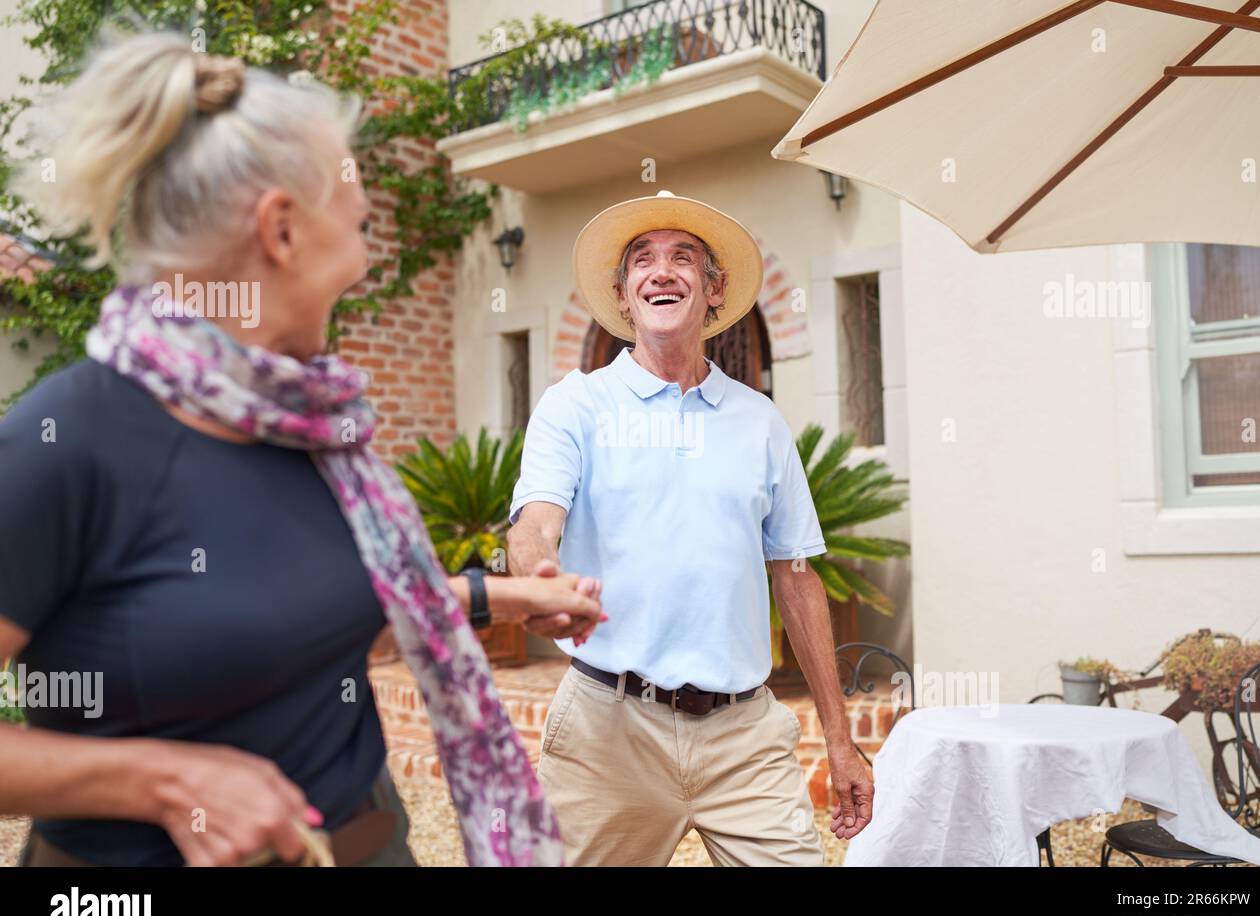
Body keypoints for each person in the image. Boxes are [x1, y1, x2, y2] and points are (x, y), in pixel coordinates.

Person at [0, 31, 602, 867]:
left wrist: (507, 598)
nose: (363, 259)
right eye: (357, 225)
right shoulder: (64, 443)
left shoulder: (315, 426)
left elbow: (339, 611)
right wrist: (160, 780)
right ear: (280, 231)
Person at [507, 190, 874, 866]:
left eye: (684, 258)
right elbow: (536, 522)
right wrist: (538, 580)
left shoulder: (759, 419)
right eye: (642, 260)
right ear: (624, 294)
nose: (661, 271)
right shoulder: (577, 405)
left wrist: (839, 738)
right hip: (605, 729)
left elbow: (795, 575)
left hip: (744, 734)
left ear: (714, 288)